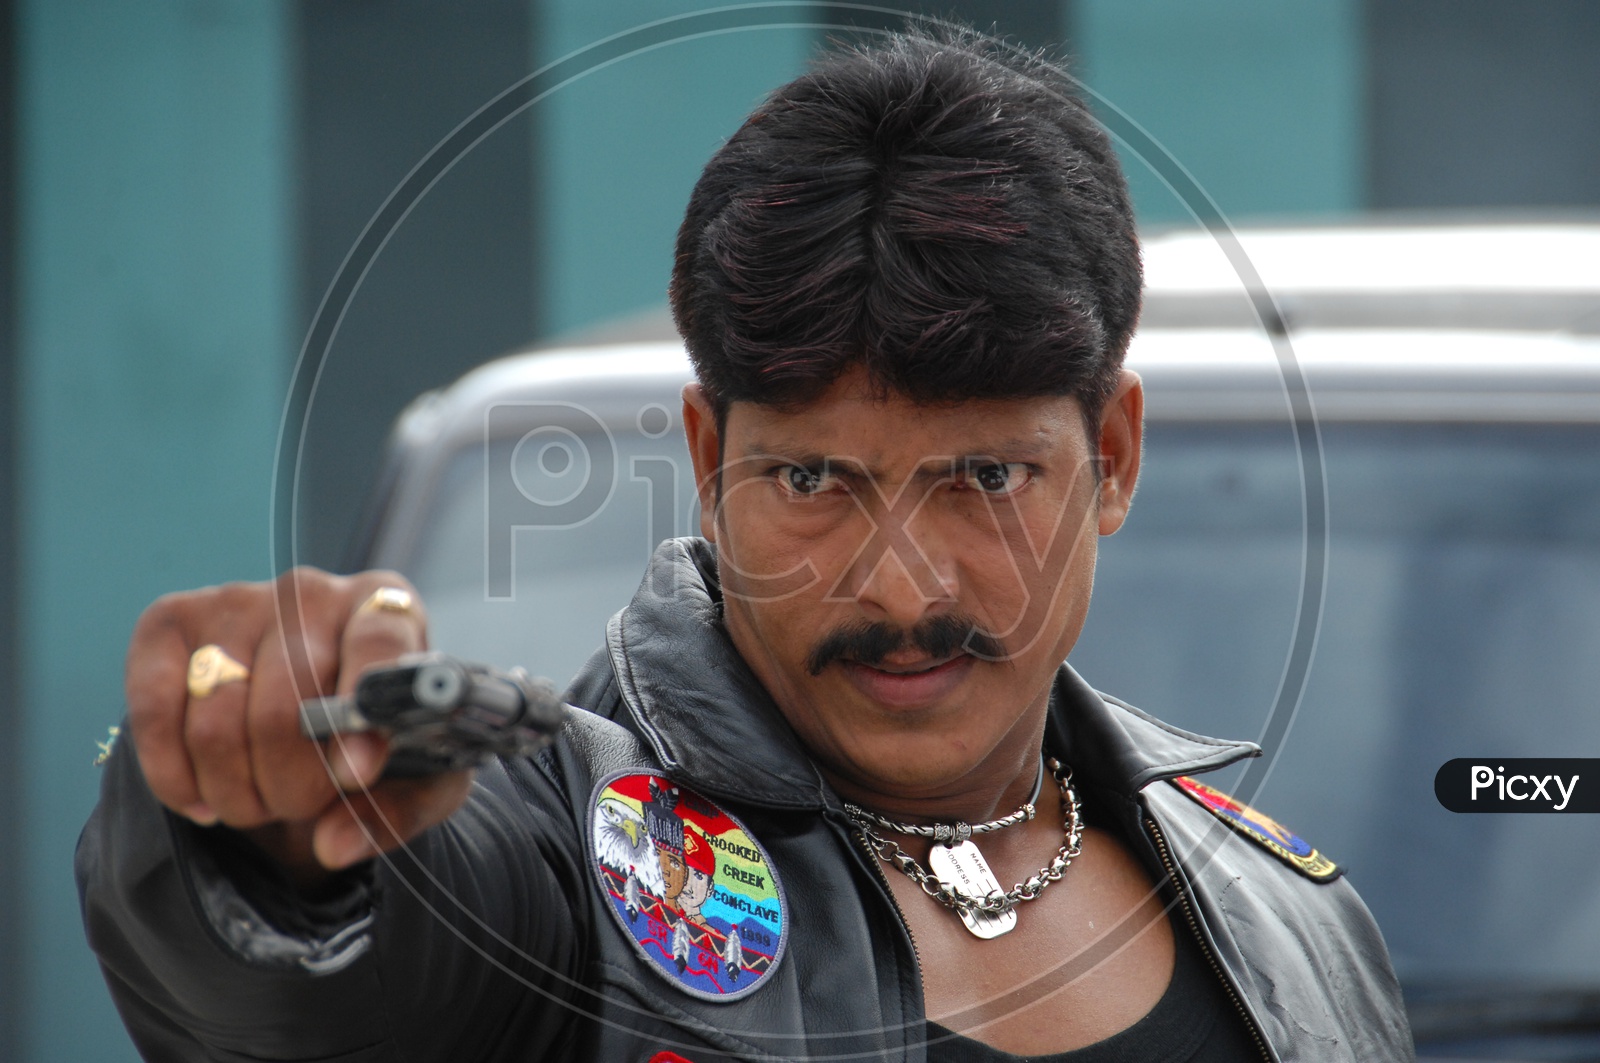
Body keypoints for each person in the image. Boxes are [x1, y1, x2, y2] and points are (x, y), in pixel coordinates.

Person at [77, 27, 1415, 1063]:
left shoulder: (1291, 922)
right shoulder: (569, 869)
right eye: (814, 478)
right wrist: (272, 831)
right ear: (709, 464)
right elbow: (328, 977)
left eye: (987, 478)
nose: (902, 586)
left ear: (1111, 457)